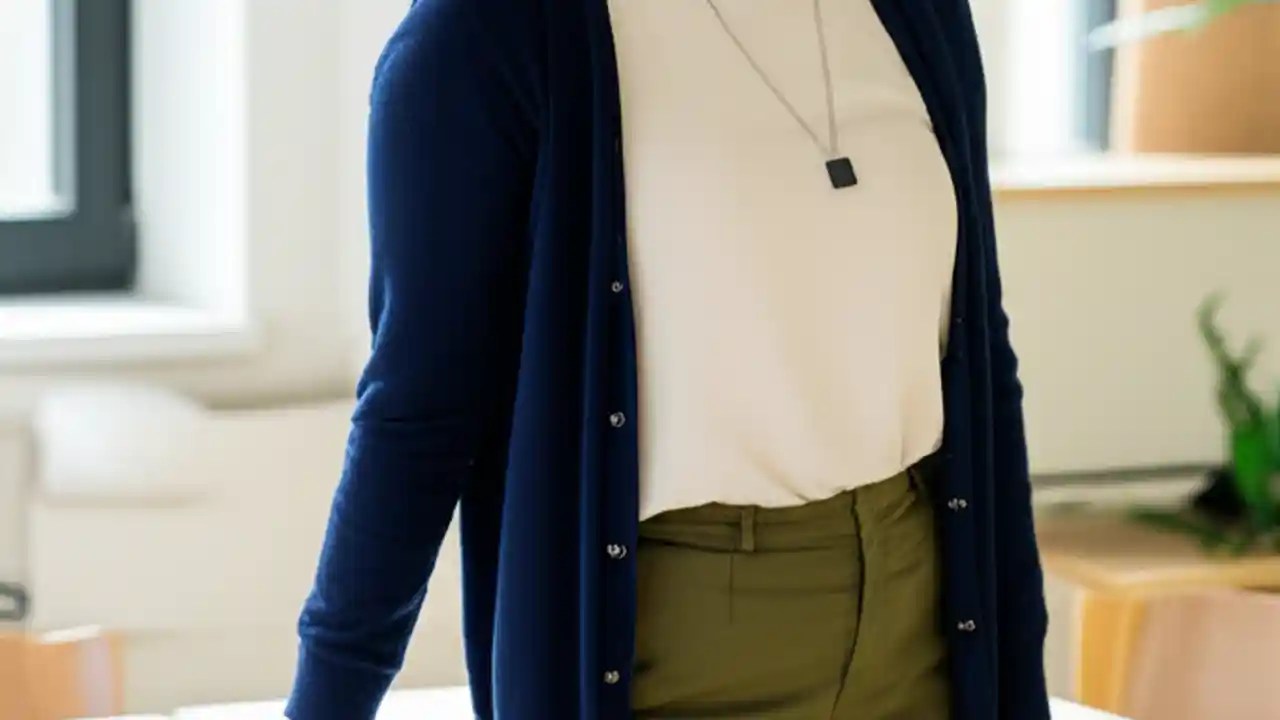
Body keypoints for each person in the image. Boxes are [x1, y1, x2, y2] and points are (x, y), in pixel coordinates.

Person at [286, 0, 1049, 718]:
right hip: (670, 660)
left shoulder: (922, 14)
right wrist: (326, 700)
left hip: (924, 637)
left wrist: (1019, 669)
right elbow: (419, 415)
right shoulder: (492, 31)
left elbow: (983, 358)